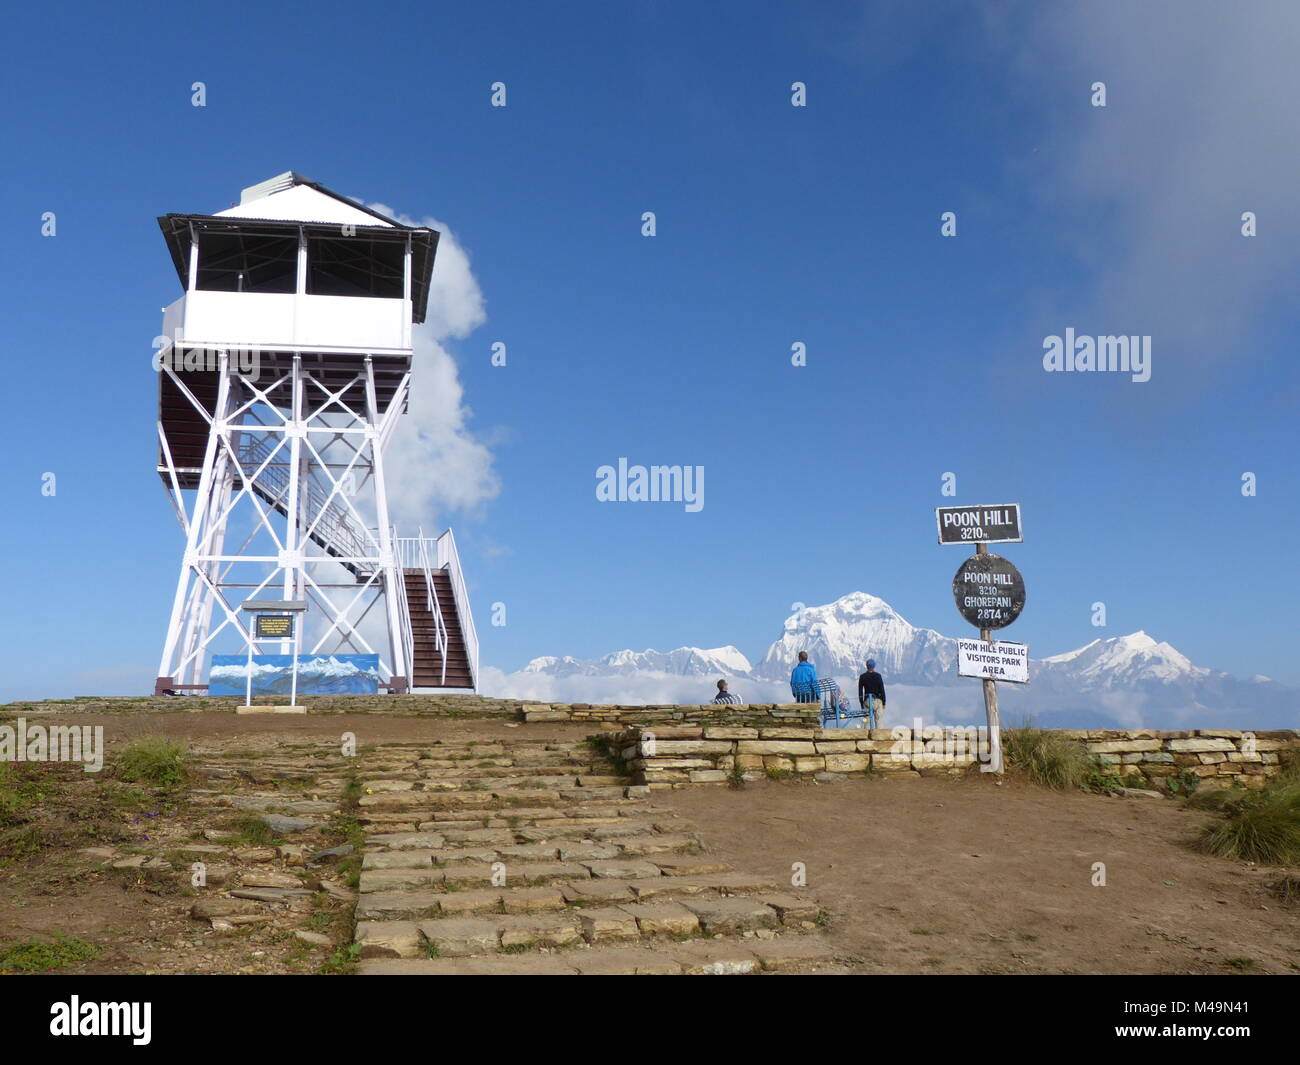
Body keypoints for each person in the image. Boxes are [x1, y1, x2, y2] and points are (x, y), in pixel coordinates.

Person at [858, 659, 887, 726]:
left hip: (867, 701)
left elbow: (860, 691)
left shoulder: (862, 677)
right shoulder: (878, 676)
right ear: (874, 666)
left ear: (866, 666)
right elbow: (882, 690)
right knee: (879, 720)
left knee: (867, 721)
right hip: (877, 701)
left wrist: (861, 703)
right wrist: (884, 702)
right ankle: (879, 735)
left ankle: (866, 735)